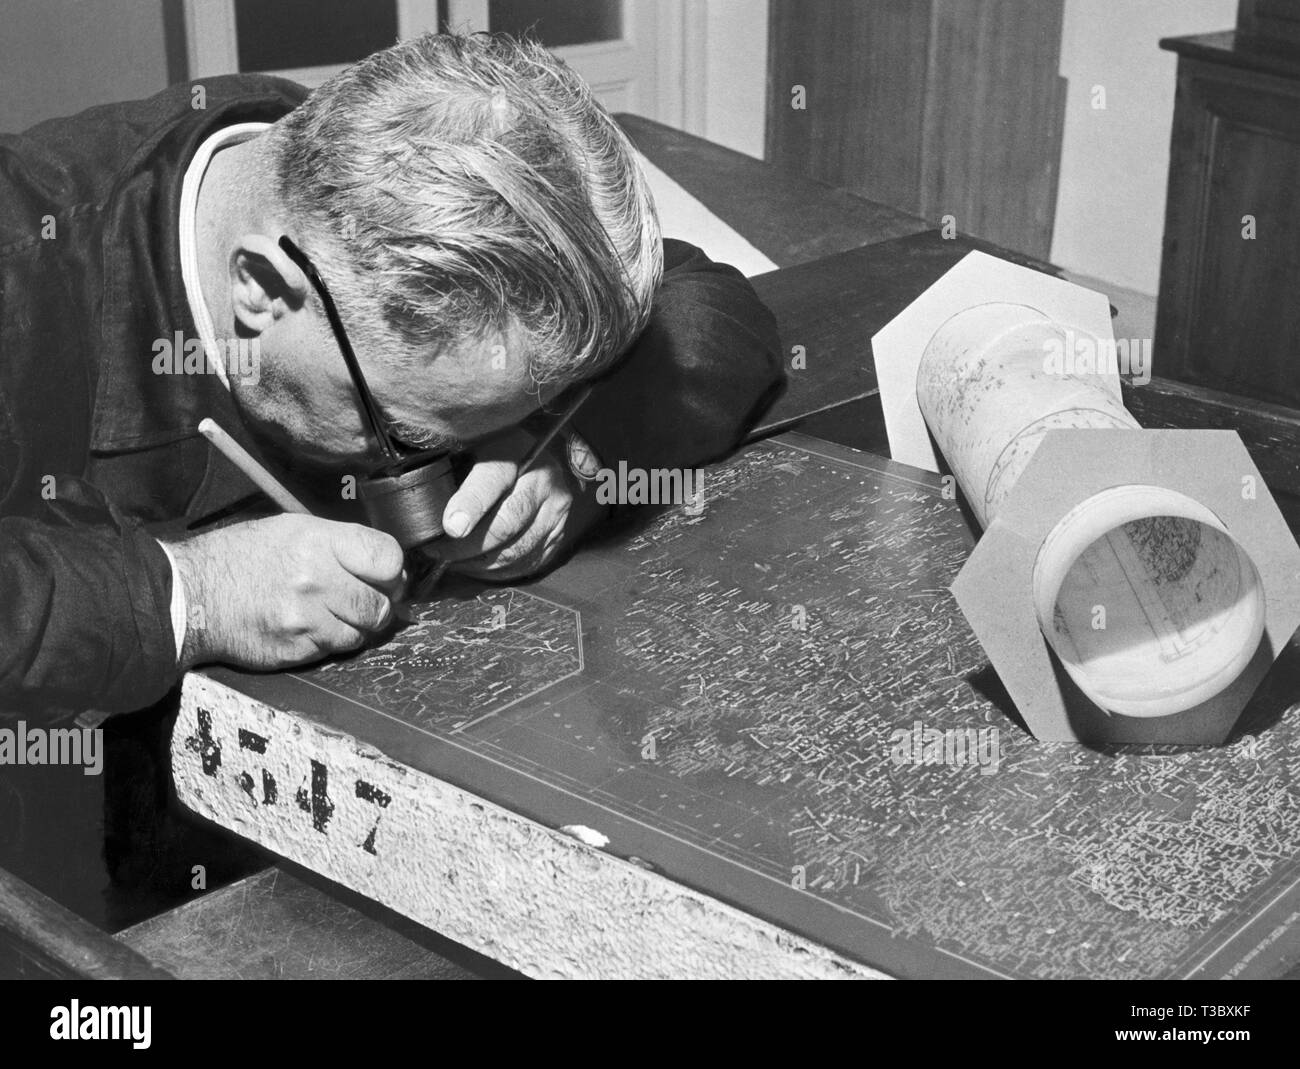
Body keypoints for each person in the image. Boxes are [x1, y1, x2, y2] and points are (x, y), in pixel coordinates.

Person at [0, 32, 782, 715]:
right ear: (264, 290)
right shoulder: (21, 272)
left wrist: (572, 447)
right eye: (407, 435)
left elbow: (716, 316)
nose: (446, 463)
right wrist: (193, 594)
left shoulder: (381, 171)